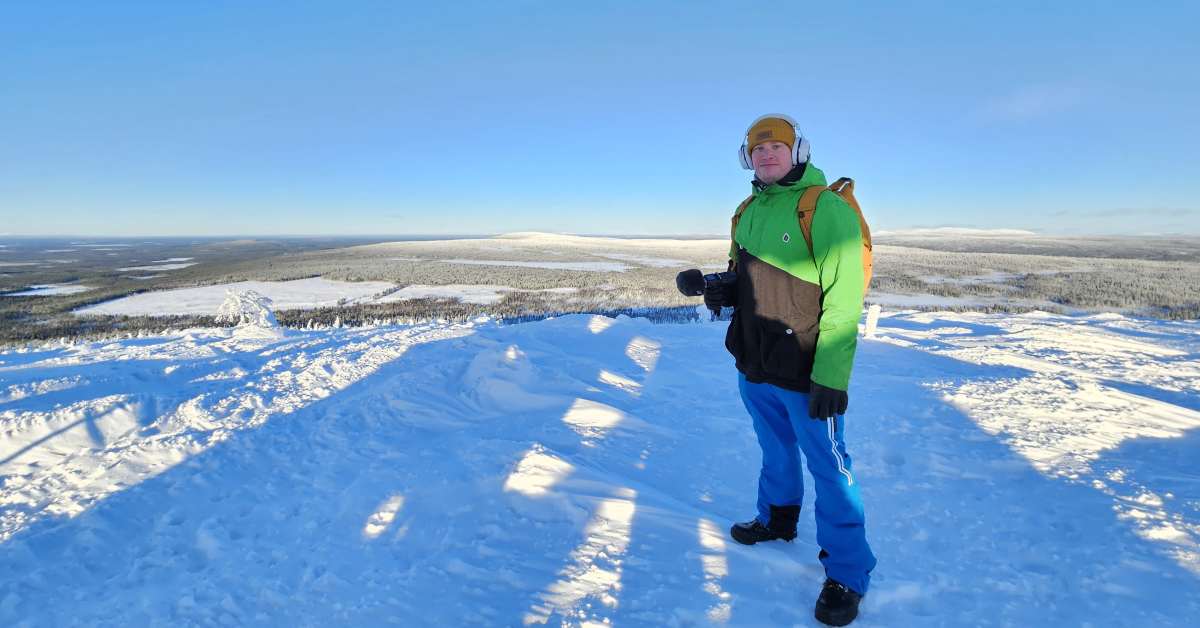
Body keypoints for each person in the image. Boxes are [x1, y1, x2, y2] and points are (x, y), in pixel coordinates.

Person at [706, 114, 876, 627]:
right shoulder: (746, 210)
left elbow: (844, 300)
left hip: (806, 368)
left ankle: (847, 573)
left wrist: (832, 377)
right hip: (755, 362)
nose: (767, 155)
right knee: (774, 448)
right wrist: (717, 288)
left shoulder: (823, 208)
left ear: (798, 151)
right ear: (747, 158)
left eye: (777, 147)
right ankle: (777, 520)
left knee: (830, 467)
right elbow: (745, 278)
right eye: (758, 149)